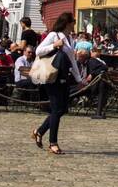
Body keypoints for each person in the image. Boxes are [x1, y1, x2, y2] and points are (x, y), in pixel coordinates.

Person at [33, 13, 85, 155]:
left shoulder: (70, 39)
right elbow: (38, 51)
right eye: (73, 21)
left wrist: (79, 79)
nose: (75, 23)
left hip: (63, 77)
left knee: (62, 109)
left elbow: (72, 61)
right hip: (52, 76)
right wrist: (54, 45)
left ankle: (39, 131)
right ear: (67, 23)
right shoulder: (53, 35)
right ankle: (53, 143)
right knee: (56, 109)